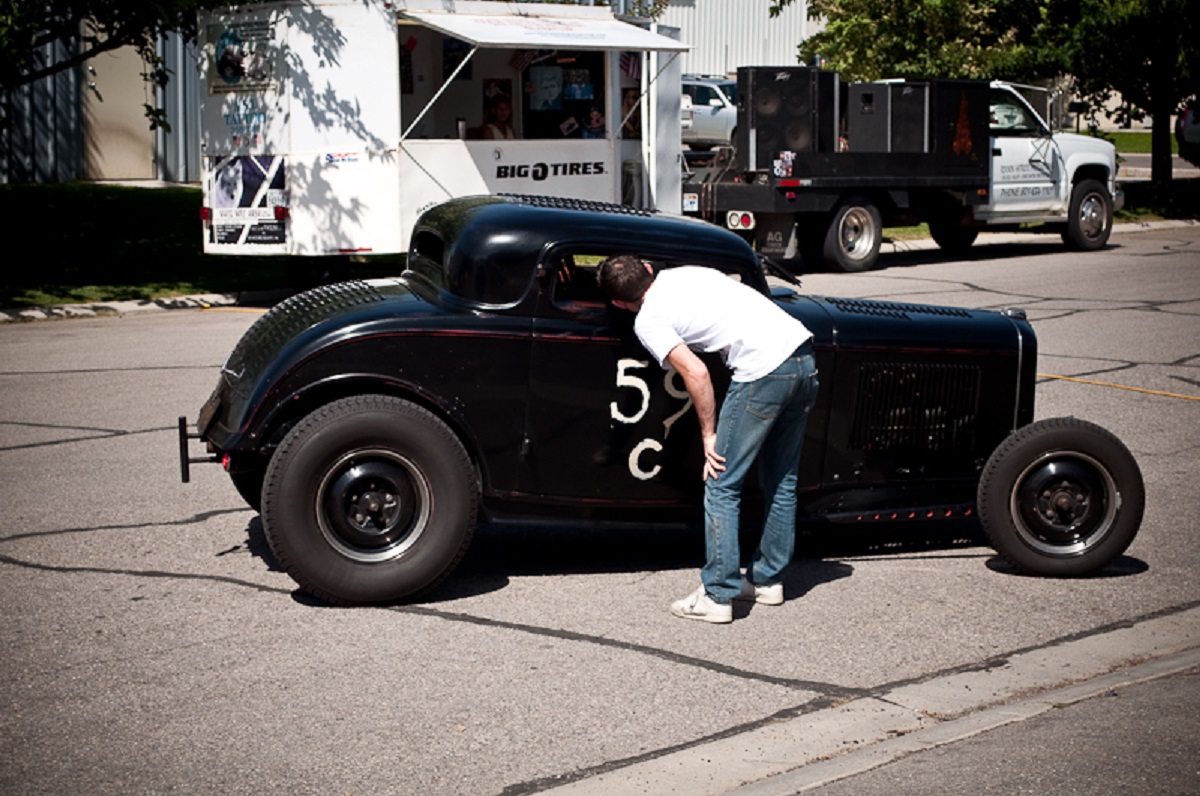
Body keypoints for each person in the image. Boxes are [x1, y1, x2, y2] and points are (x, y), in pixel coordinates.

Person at [596, 256, 818, 624]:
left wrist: (709, 434)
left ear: (618, 303)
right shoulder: (686, 273)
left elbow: (696, 373)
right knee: (782, 479)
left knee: (720, 482)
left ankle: (718, 593)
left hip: (762, 372)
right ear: (648, 267)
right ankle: (767, 580)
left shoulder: (649, 320)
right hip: (803, 357)